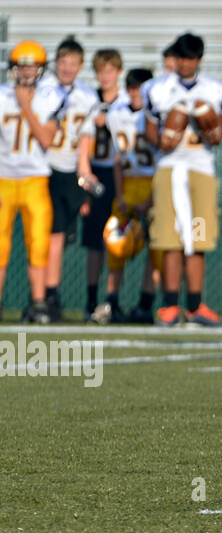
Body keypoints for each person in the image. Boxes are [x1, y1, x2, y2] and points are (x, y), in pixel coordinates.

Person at [143, 32, 222, 327]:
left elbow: (218, 136)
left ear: (199, 59)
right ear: (174, 59)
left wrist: (210, 128)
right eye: (181, 58)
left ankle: (194, 304)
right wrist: (165, 139)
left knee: (198, 238)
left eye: (191, 58)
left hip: (201, 170)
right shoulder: (156, 89)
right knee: (170, 238)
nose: (186, 63)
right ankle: (169, 306)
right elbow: (150, 132)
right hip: (169, 168)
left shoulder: (214, 89)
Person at [35, 36, 99, 321]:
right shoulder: (43, 90)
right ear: (56, 63)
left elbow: (85, 137)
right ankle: (42, 296)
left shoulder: (87, 96)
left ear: (80, 65)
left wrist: (84, 172)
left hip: (68, 170)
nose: (67, 68)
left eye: (73, 63)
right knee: (44, 237)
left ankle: (50, 296)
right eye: (63, 62)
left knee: (57, 237)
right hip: (41, 167)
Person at [0, 42, 57, 323]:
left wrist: (25, 106)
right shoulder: (0, 96)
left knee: (38, 244)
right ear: (13, 69)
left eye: (31, 65)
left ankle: (38, 304)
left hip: (35, 178)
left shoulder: (50, 97)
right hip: (4, 180)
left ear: (40, 68)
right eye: (21, 66)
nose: (26, 71)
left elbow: (46, 139)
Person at [76, 48, 130, 323]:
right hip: (97, 174)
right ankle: (91, 299)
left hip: (120, 174)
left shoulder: (126, 102)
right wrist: (84, 177)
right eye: (101, 71)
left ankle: (111, 300)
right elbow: (83, 144)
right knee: (95, 243)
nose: (105, 76)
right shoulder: (90, 101)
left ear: (118, 72)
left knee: (116, 240)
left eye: (110, 71)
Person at [107, 68, 163, 324]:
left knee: (157, 249)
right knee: (116, 244)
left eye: (140, 88)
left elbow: (164, 161)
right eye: (132, 88)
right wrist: (119, 194)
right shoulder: (117, 114)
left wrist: (151, 199)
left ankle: (145, 304)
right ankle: (112, 302)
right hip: (128, 183)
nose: (136, 94)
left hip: (154, 183)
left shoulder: (156, 115)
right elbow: (118, 160)